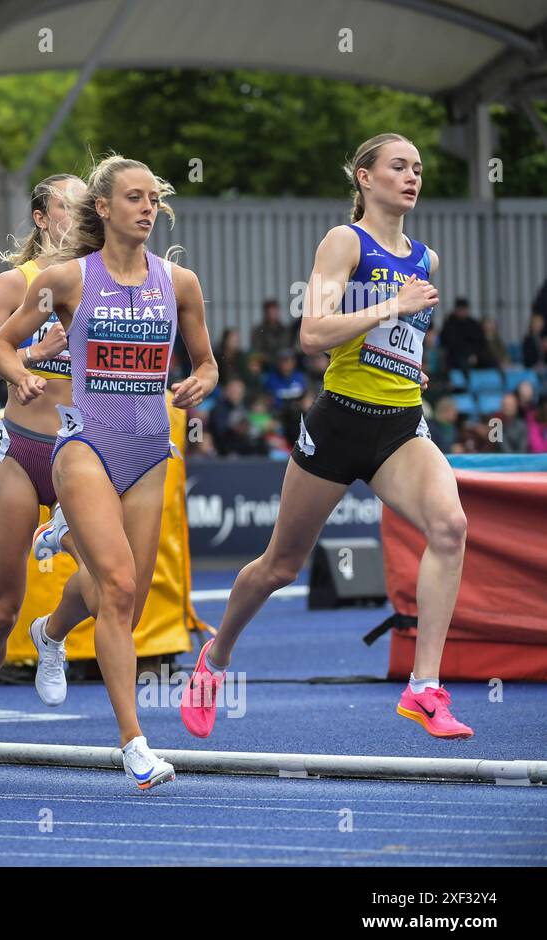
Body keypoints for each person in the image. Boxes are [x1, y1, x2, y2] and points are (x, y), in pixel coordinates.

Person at [182, 133, 473, 741]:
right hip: (338, 424)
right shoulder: (346, 242)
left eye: (418, 168)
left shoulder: (427, 259)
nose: (412, 177)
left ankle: (423, 688)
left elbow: (392, 339)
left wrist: (406, 357)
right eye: (399, 167)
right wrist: (391, 307)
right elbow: (313, 332)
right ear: (365, 178)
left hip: (399, 425)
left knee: (450, 526)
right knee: (279, 566)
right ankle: (215, 660)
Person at [0, 153, 217, 791]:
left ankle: (51, 630)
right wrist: (24, 371)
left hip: (150, 448)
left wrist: (200, 380)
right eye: (135, 198)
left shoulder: (179, 283)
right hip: (85, 443)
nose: (148, 208)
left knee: (124, 598)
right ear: (104, 210)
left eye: (154, 199)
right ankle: (134, 744)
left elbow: (205, 361)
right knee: (115, 584)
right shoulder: (65, 280)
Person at [0, 174, 96, 779]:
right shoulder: (17, 283)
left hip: (84, 451)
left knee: (114, 589)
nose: (84, 214)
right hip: (23, 449)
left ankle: (53, 633)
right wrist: (31, 354)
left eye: (91, 205)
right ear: (41, 217)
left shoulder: (105, 280)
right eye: (71, 206)